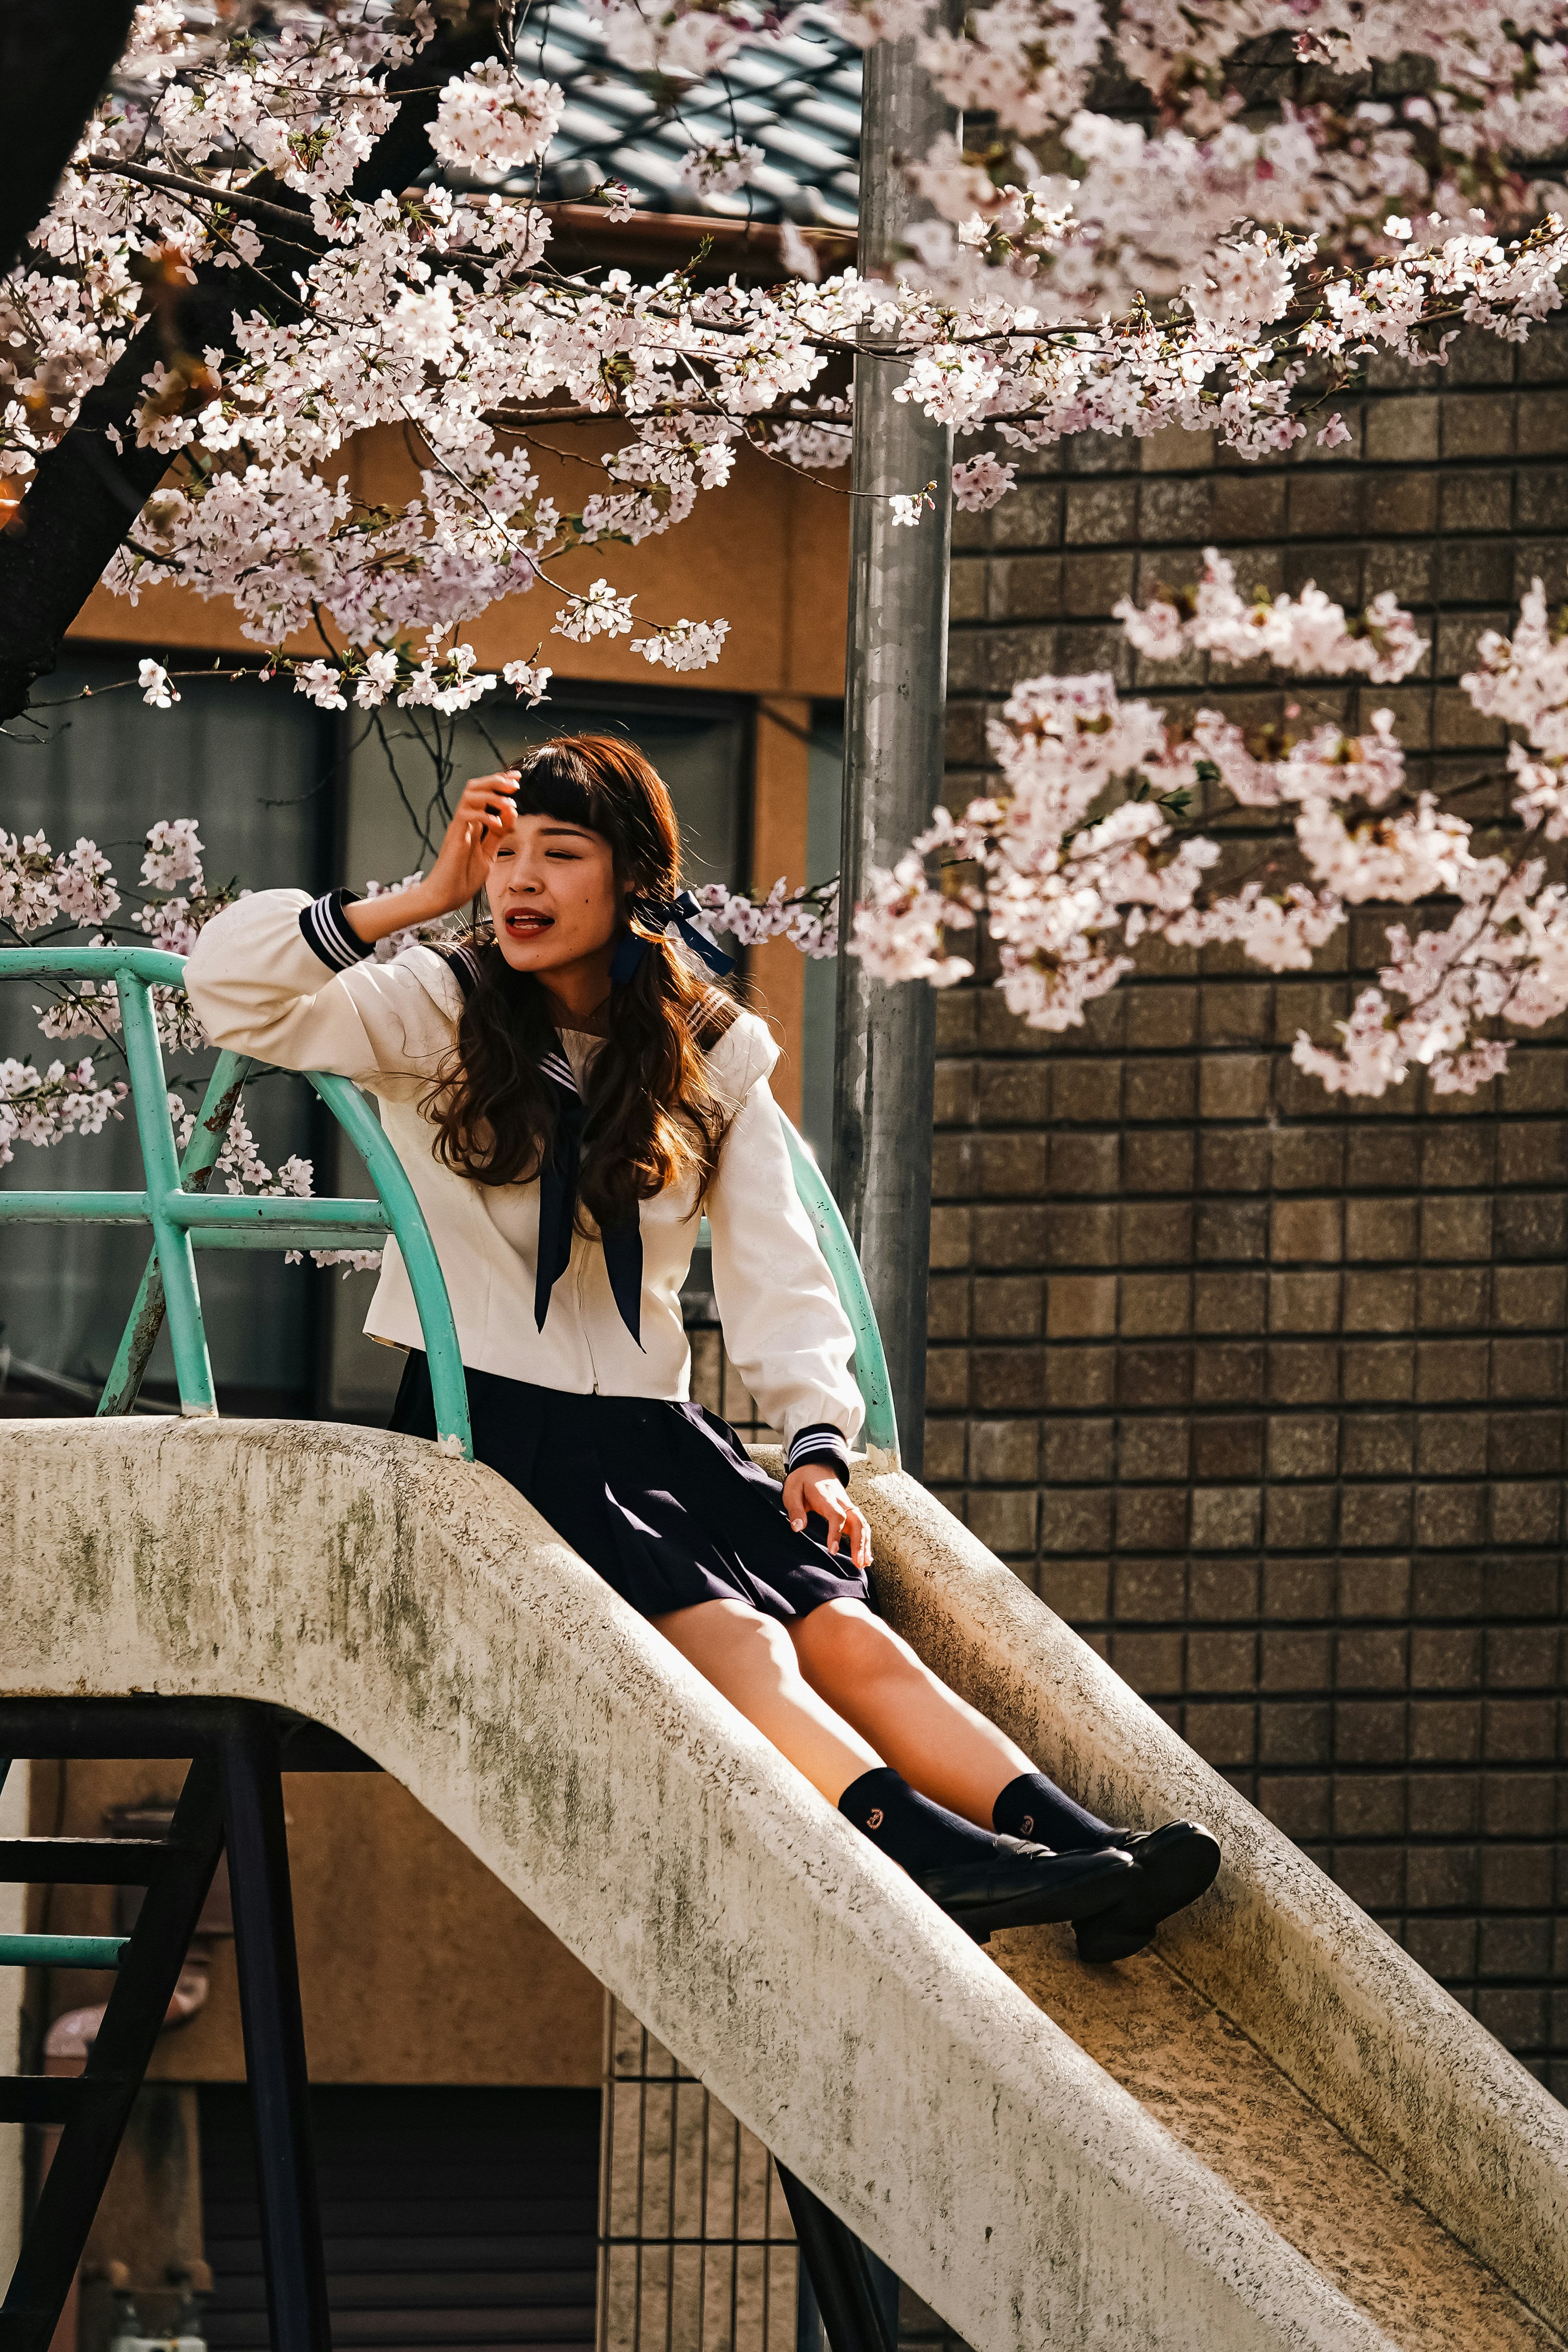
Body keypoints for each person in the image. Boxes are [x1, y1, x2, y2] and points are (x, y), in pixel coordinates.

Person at [185, 734, 1219, 1959]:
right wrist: (416, 900)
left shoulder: (706, 1044)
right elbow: (230, 989)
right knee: (740, 1637)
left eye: (557, 855)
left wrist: (817, 1442)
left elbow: (781, 1264)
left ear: (633, 878)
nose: (518, 879)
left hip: (654, 1433)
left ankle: (1076, 1853)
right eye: (501, 851)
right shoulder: (434, 1004)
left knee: (844, 1630)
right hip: (494, 1430)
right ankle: (929, 1856)